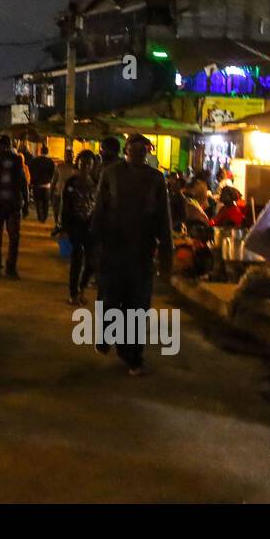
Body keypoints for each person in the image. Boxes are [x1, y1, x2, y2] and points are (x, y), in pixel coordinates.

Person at [89, 133, 174, 375]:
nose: (138, 154)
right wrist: (93, 243)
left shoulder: (155, 179)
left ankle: (133, 354)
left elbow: (163, 216)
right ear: (126, 151)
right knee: (110, 299)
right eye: (133, 150)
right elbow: (99, 210)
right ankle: (107, 336)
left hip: (141, 252)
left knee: (137, 306)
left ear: (147, 153)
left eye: (142, 150)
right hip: (112, 249)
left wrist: (167, 250)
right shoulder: (111, 174)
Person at [0, 134, 29, 279]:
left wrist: (26, 202)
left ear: (5, 146)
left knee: (9, 237)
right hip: (0, 205)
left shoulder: (14, 160)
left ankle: (7, 267)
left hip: (10, 205)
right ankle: (0, 267)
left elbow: (22, 182)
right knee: (1, 238)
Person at [61, 150, 99, 304]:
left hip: (92, 225)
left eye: (88, 164)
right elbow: (66, 205)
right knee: (76, 259)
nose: (84, 166)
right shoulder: (71, 182)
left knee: (91, 261)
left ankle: (82, 288)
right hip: (75, 224)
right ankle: (73, 293)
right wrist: (64, 226)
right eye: (82, 163)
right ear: (78, 163)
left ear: (92, 166)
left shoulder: (96, 182)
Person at [28, 145, 55, 223]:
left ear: (40, 151)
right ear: (47, 152)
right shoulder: (50, 162)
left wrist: (33, 178)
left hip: (36, 184)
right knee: (46, 202)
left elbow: (30, 169)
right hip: (47, 185)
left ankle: (40, 216)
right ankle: (44, 217)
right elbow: (52, 172)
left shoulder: (34, 161)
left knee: (38, 202)